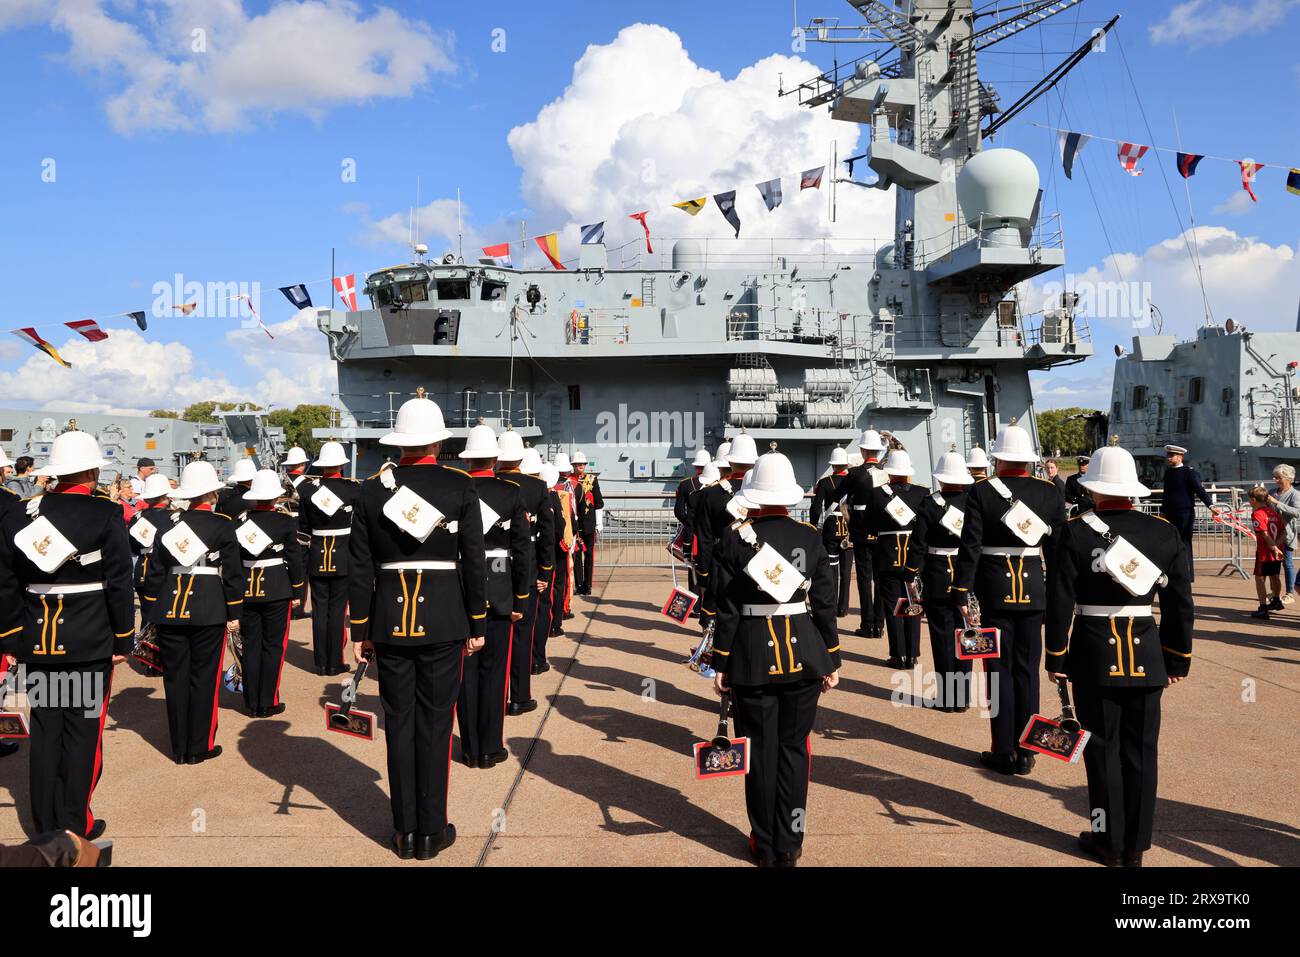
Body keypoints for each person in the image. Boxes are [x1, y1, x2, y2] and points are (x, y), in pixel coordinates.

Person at [347, 394, 487, 861]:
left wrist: (360, 628)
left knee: (399, 722)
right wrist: (477, 620)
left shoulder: (371, 489)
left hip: (387, 621)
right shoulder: (459, 485)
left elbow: (361, 565)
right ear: (439, 441)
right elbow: (474, 562)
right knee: (435, 722)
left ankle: (403, 830)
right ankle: (430, 831)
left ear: (399, 443)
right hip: (445, 618)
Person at [1046, 442, 1193, 868]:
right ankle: (1136, 848)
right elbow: (1181, 603)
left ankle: (1105, 840)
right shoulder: (1163, 531)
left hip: (1092, 655)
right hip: (1148, 654)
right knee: (1142, 752)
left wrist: (1056, 656)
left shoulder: (1074, 531)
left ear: (1092, 489)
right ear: (1134, 489)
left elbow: (1059, 601)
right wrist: (1177, 657)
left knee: (1101, 752)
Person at [0, 431, 134, 839]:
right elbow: (118, 582)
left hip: (38, 639)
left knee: (46, 734)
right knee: (81, 736)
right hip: (90, 641)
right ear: (93, 471)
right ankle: (74, 826)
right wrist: (123, 639)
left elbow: (5, 584)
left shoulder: (20, 514)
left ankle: (44, 826)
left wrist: (12, 637)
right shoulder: (106, 514)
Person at [711, 451, 840, 867]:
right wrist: (831, 659)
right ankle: (791, 840)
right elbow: (824, 604)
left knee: (759, 754)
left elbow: (726, 608)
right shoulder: (810, 536)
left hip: (750, 658)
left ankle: (764, 843)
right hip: (804, 655)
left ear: (753, 495)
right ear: (790, 496)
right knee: (794, 752)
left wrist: (721, 662)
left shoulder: (734, 537)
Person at [955, 420, 1067, 776]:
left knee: (997, 672)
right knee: (1027, 672)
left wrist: (961, 590)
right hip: (1034, 590)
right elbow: (1058, 548)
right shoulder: (1049, 491)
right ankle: (1029, 749)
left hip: (993, 592)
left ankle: (1002, 749)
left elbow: (970, 546)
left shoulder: (982, 491)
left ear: (997, 458)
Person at [141, 461, 244, 765]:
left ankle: (179, 746)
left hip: (170, 608)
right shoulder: (223, 524)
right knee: (203, 678)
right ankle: (199, 746)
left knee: (175, 679)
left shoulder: (169, 525)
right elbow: (233, 574)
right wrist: (234, 610)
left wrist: (153, 607)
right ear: (212, 492)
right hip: (209, 608)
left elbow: (156, 573)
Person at [457, 426, 531, 767]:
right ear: (495, 458)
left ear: (468, 457)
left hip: (460, 588)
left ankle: (470, 748)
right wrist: (520, 599)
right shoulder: (511, 492)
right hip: (500, 585)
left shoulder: (456, 488)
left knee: (465, 673)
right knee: (494, 672)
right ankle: (490, 747)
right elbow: (521, 550)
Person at [236, 469, 305, 717]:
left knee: (251, 645)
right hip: (276, 587)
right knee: (274, 646)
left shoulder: (240, 521)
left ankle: (251, 701)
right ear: (275, 497)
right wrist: (297, 587)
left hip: (245, 588)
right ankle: (268, 701)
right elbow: (294, 558)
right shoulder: (285, 521)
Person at [912, 449, 973, 711]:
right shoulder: (972, 501)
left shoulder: (929, 503)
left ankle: (947, 698)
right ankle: (963, 697)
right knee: (966, 633)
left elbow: (918, 544)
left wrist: (912, 571)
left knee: (942, 636)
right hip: (966, 571)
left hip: (937, 572)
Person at [497, 438, 553, 716]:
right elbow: (547, 533)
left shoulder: (488, 485)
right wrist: (545, 571)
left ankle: (494, 695)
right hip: (527, 564)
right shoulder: (537, 487)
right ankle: (519, 696)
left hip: (492, 568)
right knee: (522, 634)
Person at [861, 449, 928, 668]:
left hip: (887, 555)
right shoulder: (922, 493)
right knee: (912, 605)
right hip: (913, 556)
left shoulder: (877, 493)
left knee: (893, 607)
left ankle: (898, 655)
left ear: (889, 473)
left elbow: (869, 524)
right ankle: (912, 655)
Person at [298, 441, 360, 675]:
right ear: (341, 465)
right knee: (337, 612)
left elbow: (303, 529)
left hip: (317, 554)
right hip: (344, 555)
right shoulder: (353, 489)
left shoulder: (307, 490)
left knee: (319, 611)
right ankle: (335, 662)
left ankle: (321, 663)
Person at [694, 434, 759, 634]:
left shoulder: (710, 494)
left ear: (729, 461)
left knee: (718, 621)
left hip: (720, 563)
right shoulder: (761, 492)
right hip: (756, 562)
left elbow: (704, 538)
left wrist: (703, 573)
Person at [839, 429, 888, 637]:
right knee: (880, 578)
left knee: (864, 578)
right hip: (882, 532)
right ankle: (879, 623)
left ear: (862, 450)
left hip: (860, 530)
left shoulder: (856, 473)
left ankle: (868, 624)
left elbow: (837, 494)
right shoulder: (885, 473)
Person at [1159, 445, 1222, 581]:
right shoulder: (1168, 472)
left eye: (1172, 455)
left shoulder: (1189, 472)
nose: (1169, 458)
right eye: (1168, 455)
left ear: (1180, 456)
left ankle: (1187, 574)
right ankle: (1174, 571)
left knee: (1185, 542)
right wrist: (1163, 511)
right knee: (1171, 542)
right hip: (1170, 512)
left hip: (1185, 512)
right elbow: (1167, 494)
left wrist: (1211, 506)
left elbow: (1200, 491)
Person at [809, 447, 854, 617]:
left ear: (833, 465)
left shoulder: (825, 482)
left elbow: (815, 509)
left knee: (832, 570)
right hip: (849, 527)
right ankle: (843, 607)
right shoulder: (853, 480)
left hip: (831, 528)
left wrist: (813, 527)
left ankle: (832, 604)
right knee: (846, 570)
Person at [545, 455, 581, 644]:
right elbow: (569, 522)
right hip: (559, 546)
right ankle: (556, 622)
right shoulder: (565, 493)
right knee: (560, 584)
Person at [534, 463, 567, 669]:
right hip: (546, 555)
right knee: (543, 604)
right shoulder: (551, 496)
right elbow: (557, 527)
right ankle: (537, 658)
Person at [128, 473, 175, 606]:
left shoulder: (137, 517)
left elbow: (133, 548)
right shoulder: (175, 517)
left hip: (143, 568)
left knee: (147, 615)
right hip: (167, 571)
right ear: (166, 495)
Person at [674, 450, 710, 597]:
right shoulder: (718, 484)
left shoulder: (686, 484)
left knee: (693, 569)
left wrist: (689, 523)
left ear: (696, 467)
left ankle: (695, 606)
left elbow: (679, 512)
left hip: (693, 534)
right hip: (711, 534)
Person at [281, 446, 312, 619]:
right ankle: (297, 608)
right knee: (302, 569)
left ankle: (288, 604)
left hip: (285, 526)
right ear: (302, 464)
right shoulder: (307, 484)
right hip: (302, 529)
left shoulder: (282, 482)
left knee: (288, 567)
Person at [1247, 487, 1284, 620]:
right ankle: (1276, 600)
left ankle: (1263, 608)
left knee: (1260, 578)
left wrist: (1273, 546)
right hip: (1277, 550)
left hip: (1265, 551)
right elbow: (1284, 531)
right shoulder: (1274, 513)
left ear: (1253, 500)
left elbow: (1264, 533)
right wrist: (1278, 545)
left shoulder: (1257, 513)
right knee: (1275, 575)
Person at [571, 450, 603, 597]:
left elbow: (598, 502)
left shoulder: (592, 479)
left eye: (582, 464)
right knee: (576, 556)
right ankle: (578, 584)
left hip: (589, 523)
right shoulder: (569, 481)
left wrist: (599, 523)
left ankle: (588, 585)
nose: (580, 467)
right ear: (573, 465)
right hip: (575, 525)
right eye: (577, 465)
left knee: (589, 555)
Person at [1267, 464, 1300, 601]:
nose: (1275, 480)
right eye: (1275, 477)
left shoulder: (1295, 494)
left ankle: (1290, 593)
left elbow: (1297, 512)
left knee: (1287, 563)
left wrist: (1277, 503)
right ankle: (1275, 593)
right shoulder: (1272, 491)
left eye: (1278, 477)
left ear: (1288, 478)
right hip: (1271, 533)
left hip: (1286, 534)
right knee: (1271, 564)